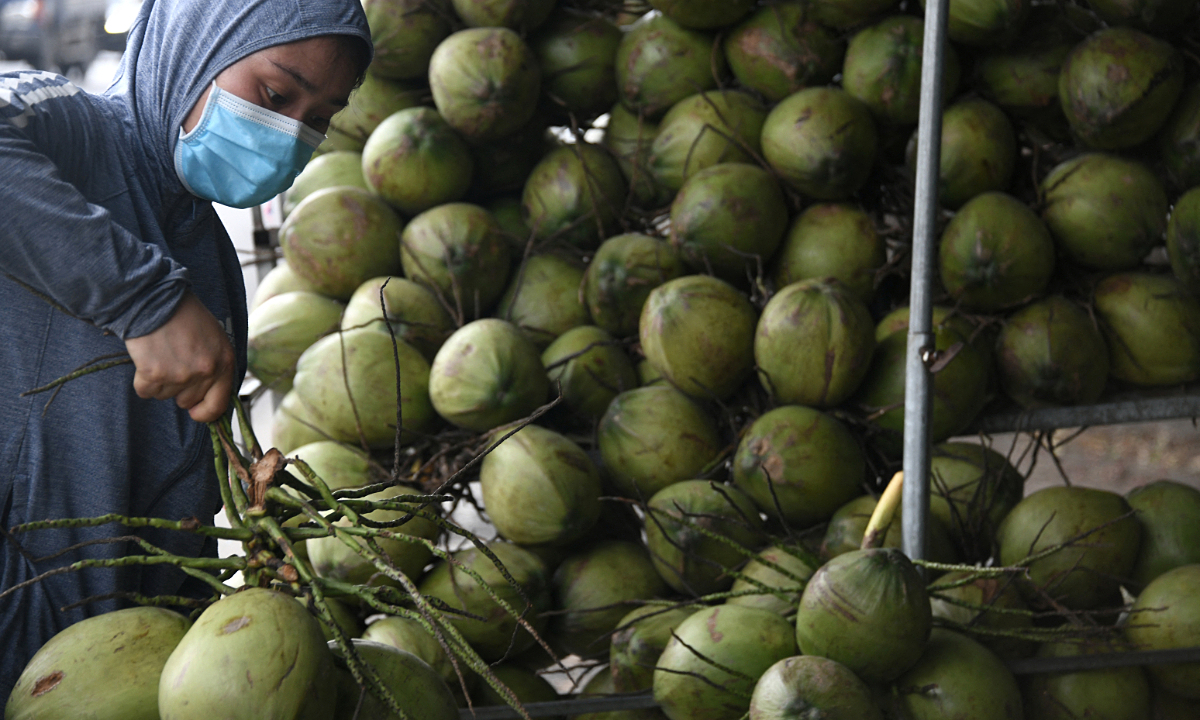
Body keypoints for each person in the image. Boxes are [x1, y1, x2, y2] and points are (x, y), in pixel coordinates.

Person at [0, 0, 372, 696]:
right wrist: (144, 300)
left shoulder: (207, 251)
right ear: (198, 46)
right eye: (273, 93)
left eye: (319, 117)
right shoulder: (75, 129)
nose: (290, 133)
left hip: (117, 662)